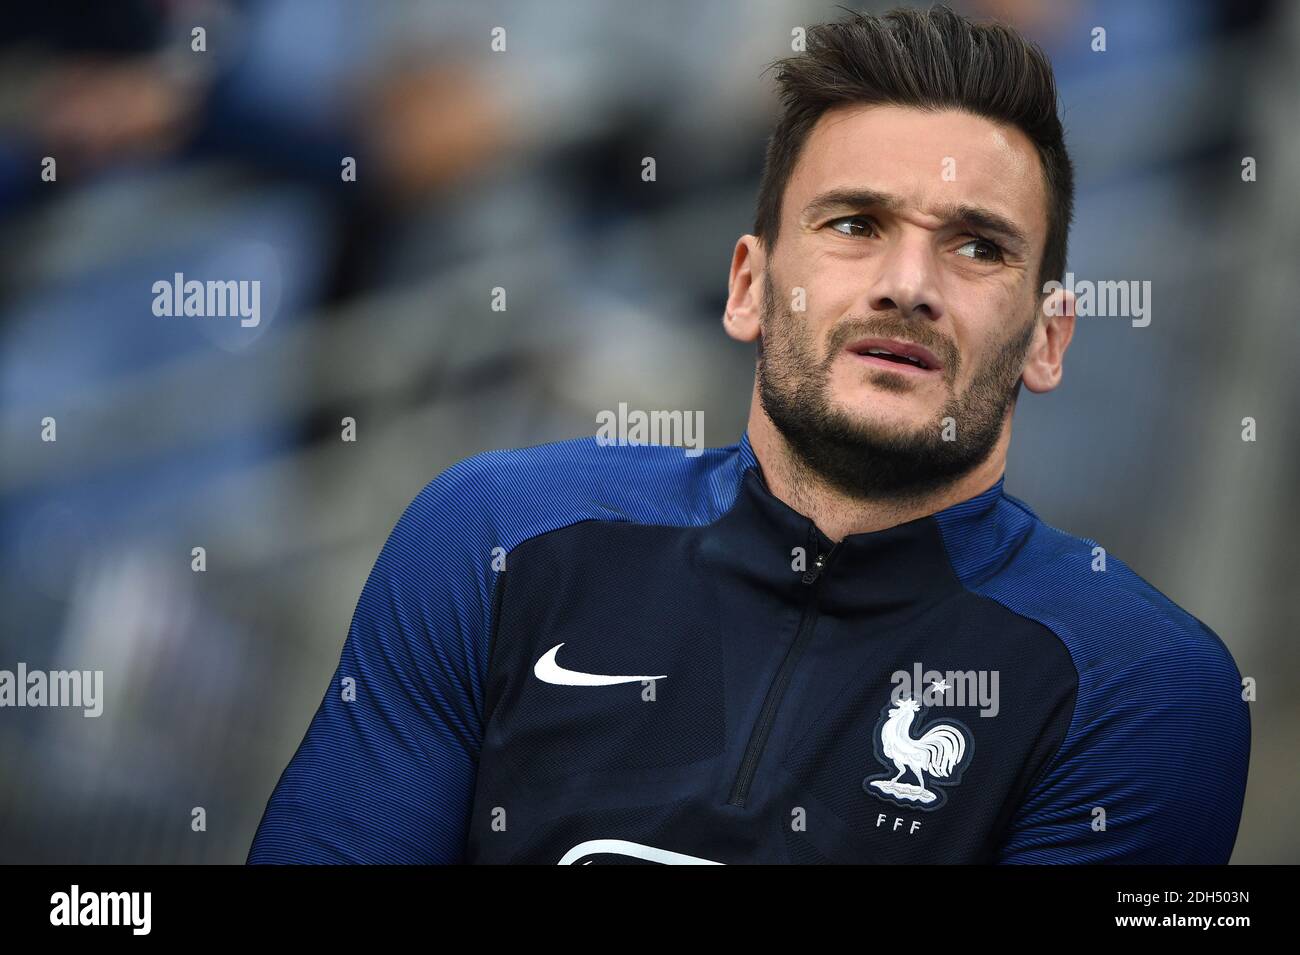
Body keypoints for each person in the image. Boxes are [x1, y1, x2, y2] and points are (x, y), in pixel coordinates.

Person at [248, 5, 1249, 865]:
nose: (908, 284)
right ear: (744, 286)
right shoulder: (491, 539)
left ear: (1046, 336)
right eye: (854, 224)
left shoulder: (1140, 684)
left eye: (977, 246)